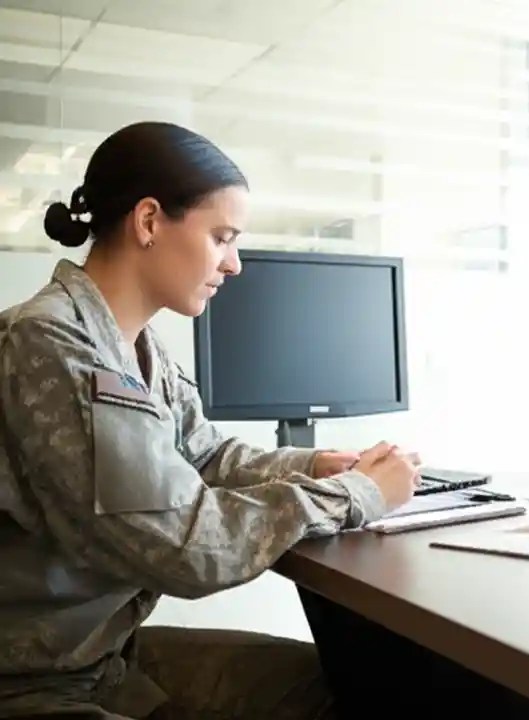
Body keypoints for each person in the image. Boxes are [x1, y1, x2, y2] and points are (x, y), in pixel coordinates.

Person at [0, 121, 420, 718]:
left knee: (340, 687)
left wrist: (316, 465)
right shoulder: (53, 343)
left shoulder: (133, 345)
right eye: (222, 237)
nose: (235, 263)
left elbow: (202, 456)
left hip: (105, 659)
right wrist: (355, 496)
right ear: (149, 222)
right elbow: (186, 545)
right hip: (34, 685)